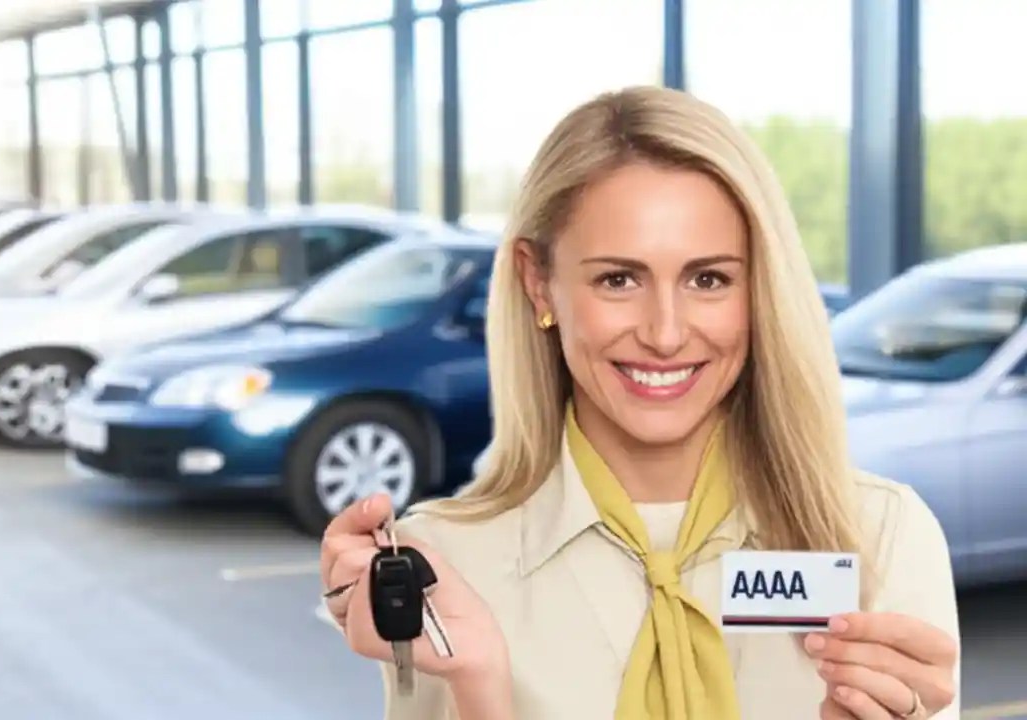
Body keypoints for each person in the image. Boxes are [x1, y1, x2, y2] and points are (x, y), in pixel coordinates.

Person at [320, 85, 960, 720]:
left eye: (708, 279)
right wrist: (483, 688)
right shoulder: (444, 567)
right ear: (538, 284)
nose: (665, 333)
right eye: (618, 280)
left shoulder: (881, 538)